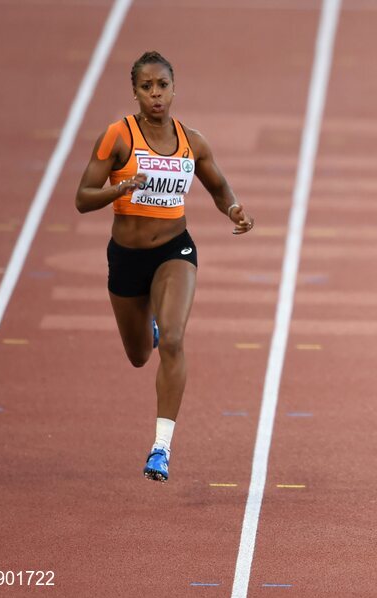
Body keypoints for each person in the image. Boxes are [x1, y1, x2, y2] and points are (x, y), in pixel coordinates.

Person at [75, 51, 254, 481]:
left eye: (162, 86)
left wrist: (232, 209)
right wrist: (120, 188)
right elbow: (82, 198)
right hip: (127, 257)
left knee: (173, 341)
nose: (155, 94)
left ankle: (161, 447)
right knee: (140, 355)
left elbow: (218, 186)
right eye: (146, 87)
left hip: (175, 250)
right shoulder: (118, 137)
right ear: (135, 92)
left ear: (174, 89)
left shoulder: (192, 142)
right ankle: (150, 325)